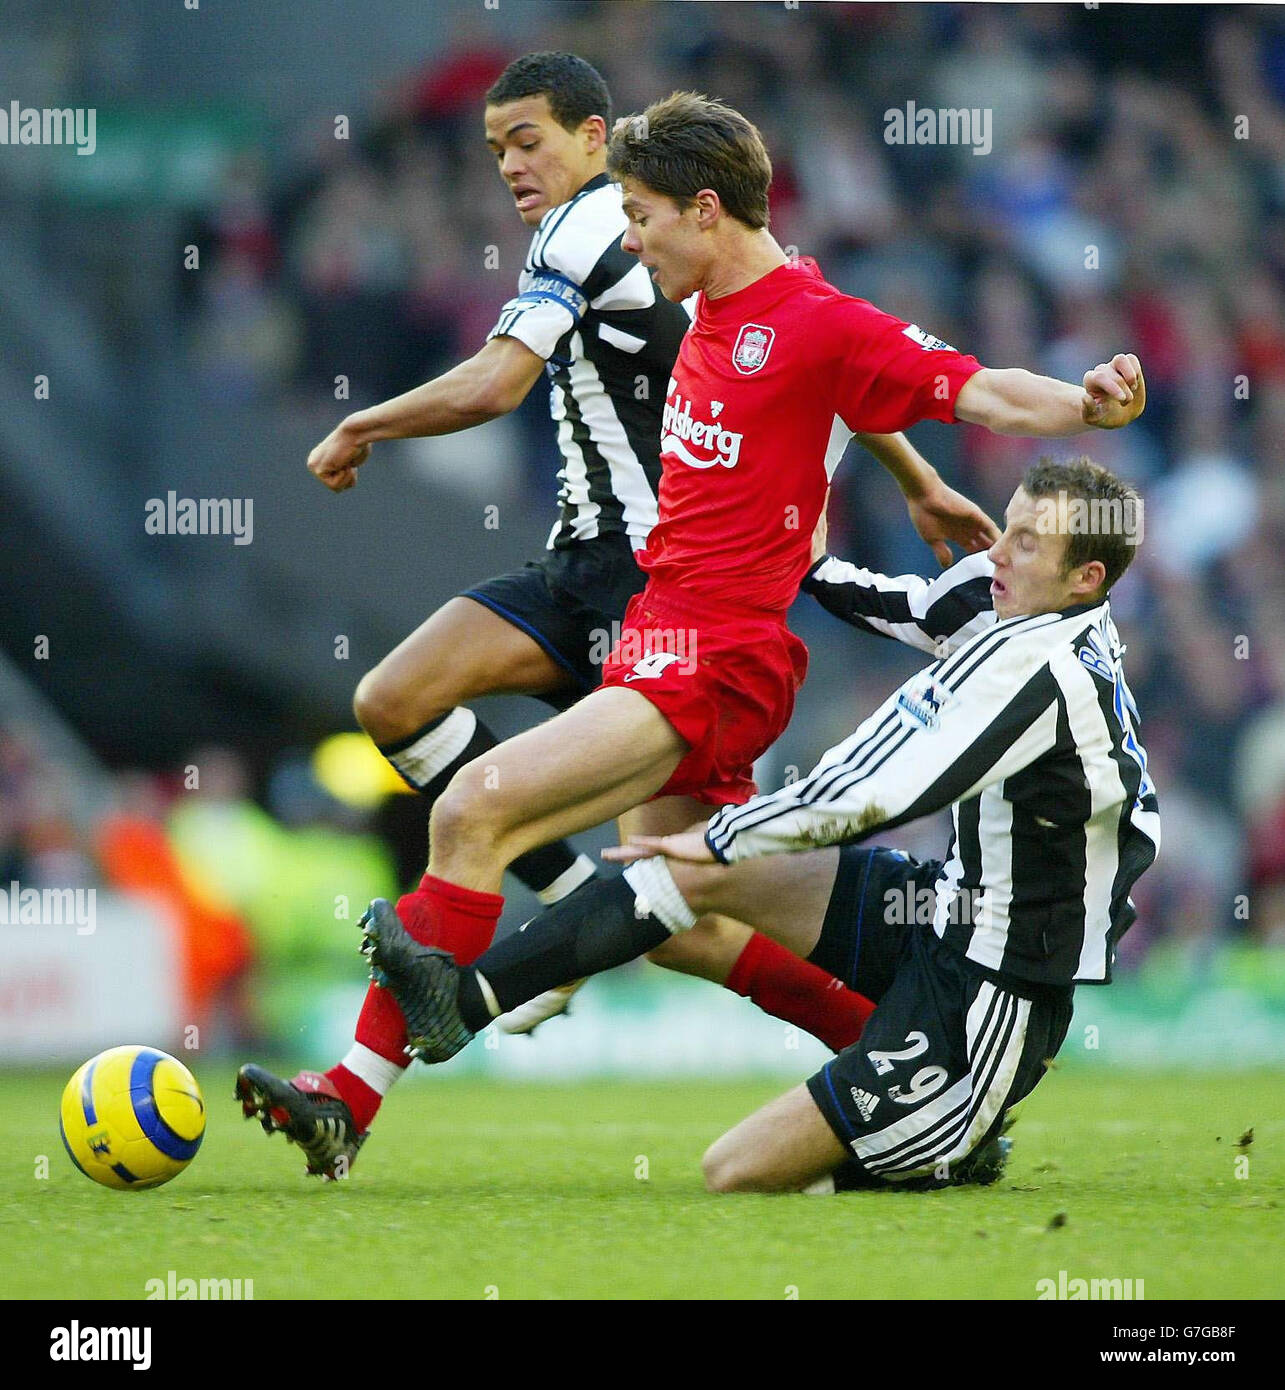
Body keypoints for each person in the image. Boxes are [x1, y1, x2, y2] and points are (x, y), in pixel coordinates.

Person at [315, 87, 1146, 1172]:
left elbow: (978, 388)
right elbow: (835, 411)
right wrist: (914, 485)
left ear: (705, 211)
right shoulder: (706, 306)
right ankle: (900, 1052)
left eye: (643, 214)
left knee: (475, 808)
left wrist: (1085, 403)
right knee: (684, 907)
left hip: (715, 657)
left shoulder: (822, 321)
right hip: (659, 629)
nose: (630, 235)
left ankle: (410, 1038)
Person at [369, 455, 1160, 1192]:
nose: (998, 554)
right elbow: (896, 603)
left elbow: (878, 789)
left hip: (994, 992)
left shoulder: (1042, 671)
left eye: (1026, 543)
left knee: (733, 1170)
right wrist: (796, 558)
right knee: (691, 877)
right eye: (1007, 527)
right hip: (944, 910)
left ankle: (947, 1143)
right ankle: (458, 1005)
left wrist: (725, 832)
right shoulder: (999, 607)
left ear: (1085, 577)